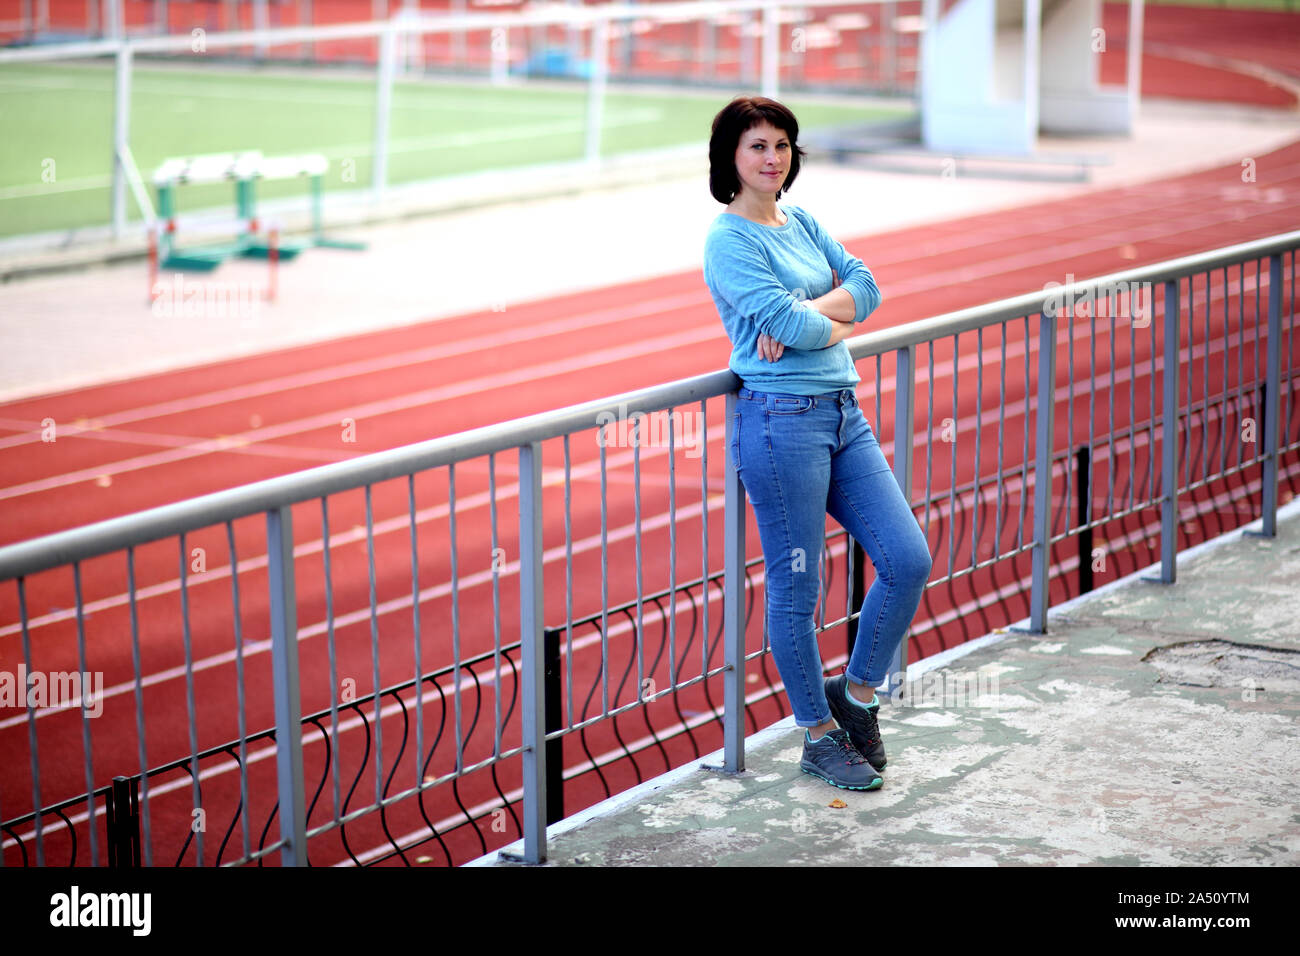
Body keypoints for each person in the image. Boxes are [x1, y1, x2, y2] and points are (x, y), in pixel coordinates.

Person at [702, 95, 933, 791]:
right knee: (798, 588)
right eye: (757, 147)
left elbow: (868, 288)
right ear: (730, 160)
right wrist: (824, 318)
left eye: (781, 144)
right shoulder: (729, 240)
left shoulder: (801, 220)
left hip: (841, 412)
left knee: (907, 558)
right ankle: (818, 734)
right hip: (780, 425)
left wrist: (808, 315)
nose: (772, 158)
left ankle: (855, 698)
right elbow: (811, 320)